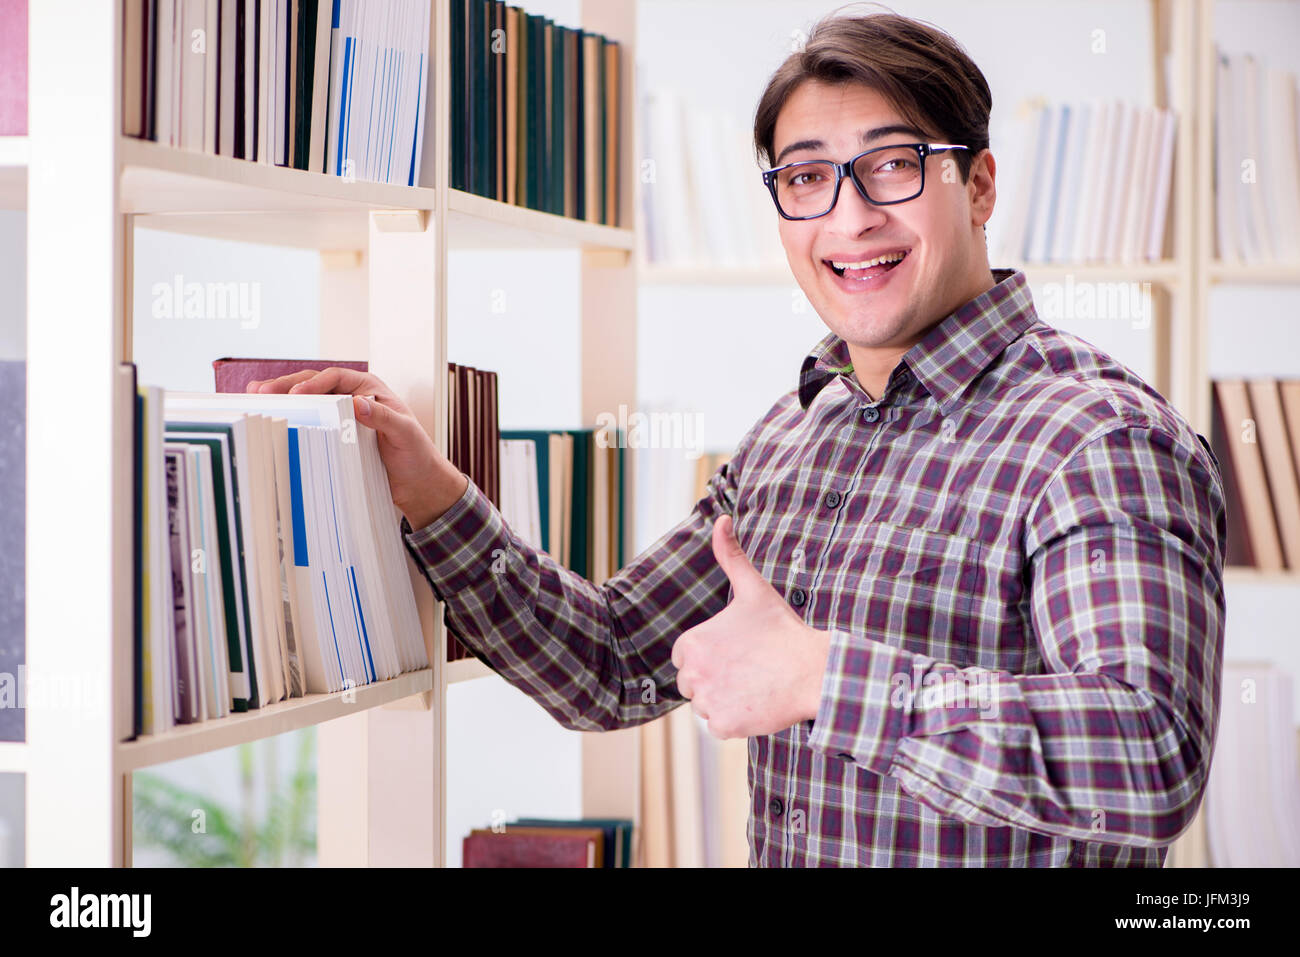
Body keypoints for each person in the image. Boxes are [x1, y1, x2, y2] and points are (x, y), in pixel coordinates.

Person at [250, 9, 1226, 867]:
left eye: (891, 166)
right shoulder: (798, 432)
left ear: (976, 187)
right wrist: (430, 492)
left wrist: (826, 680)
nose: (849, 218)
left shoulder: (1098, 438)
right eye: (807, 178)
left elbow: (1149, 758)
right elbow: (613, 662)